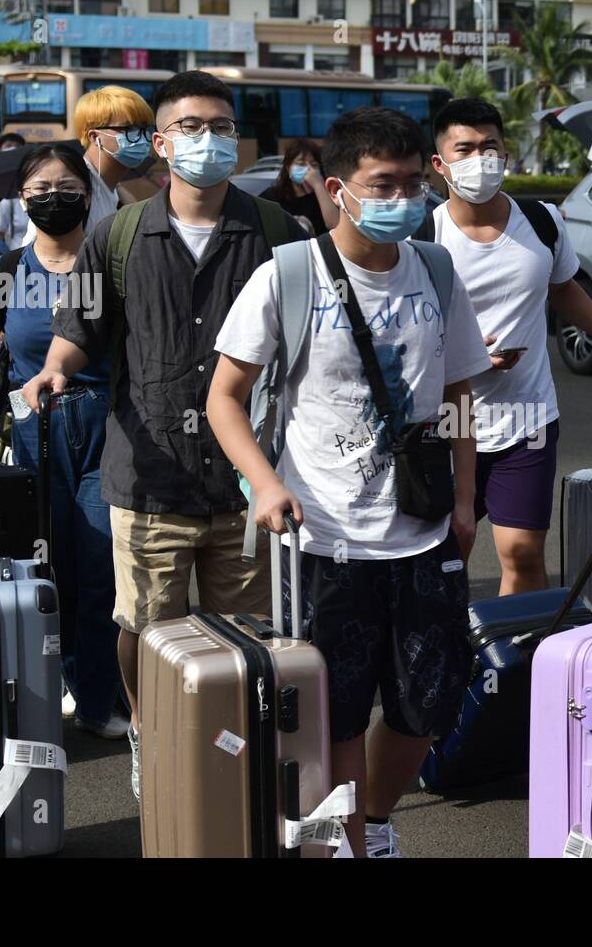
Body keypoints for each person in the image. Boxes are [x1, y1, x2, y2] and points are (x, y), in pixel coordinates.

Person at [209, 106, 489, 858]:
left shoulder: (435, 269)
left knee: (427, 702)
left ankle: (368, 818)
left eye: (410, 182)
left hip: (423, 531)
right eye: (382, 184)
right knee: (333, 712)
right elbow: (224, 397)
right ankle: (350, 840)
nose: (404, 198)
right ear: (338, 189)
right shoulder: (288, 276)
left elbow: (461, 389)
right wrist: (264, 486)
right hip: (324, 541)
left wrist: (465, 498)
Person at [22, 71, 306, 798]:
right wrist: (54, 370)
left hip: (244, 483)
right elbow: (77, 332)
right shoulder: (119, 234)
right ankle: (151, 734)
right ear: (160, 142)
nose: (207, 140)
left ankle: (226, 753)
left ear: (238, 142)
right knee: (145, 625)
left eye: (220, 127)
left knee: (241, 633)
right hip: (146, 474)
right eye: (190, 127)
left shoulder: (277, 234)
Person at [0, 143, 127, 738]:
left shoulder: (114, 265)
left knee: (100, 566)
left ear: (88, 193)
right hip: (32, 429)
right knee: (48, 567)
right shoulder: (6, 271)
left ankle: (100, 700)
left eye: (66, 187)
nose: (53, 198)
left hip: (110, 428)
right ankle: (58, 683)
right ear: (21, 200)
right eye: (39, 190)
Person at [427, 97, 592, 595]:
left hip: (528, 421)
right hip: (443, 426)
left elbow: (562, 287)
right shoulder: (423, 236)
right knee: (444, 558)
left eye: (490, 147)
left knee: (523, 557)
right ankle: (447, 663)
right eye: (466, 149)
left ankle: (516, 664)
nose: (481, 159)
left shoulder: (542, 221)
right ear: (439, 165)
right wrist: (467, 354)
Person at [21, 85, 155, 245]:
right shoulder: (75, 188)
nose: (140, 137)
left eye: (144, 128)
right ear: (94, 136)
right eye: (128, 128)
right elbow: (39, 253)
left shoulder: (113, 189)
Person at [259, 138, 339, 236]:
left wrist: (319, 185)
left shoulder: (326, 197)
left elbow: (335, 225)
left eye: (314, 165)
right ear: (288, 167)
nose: (309, 169)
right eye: (301, 163)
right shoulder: (272, 197)